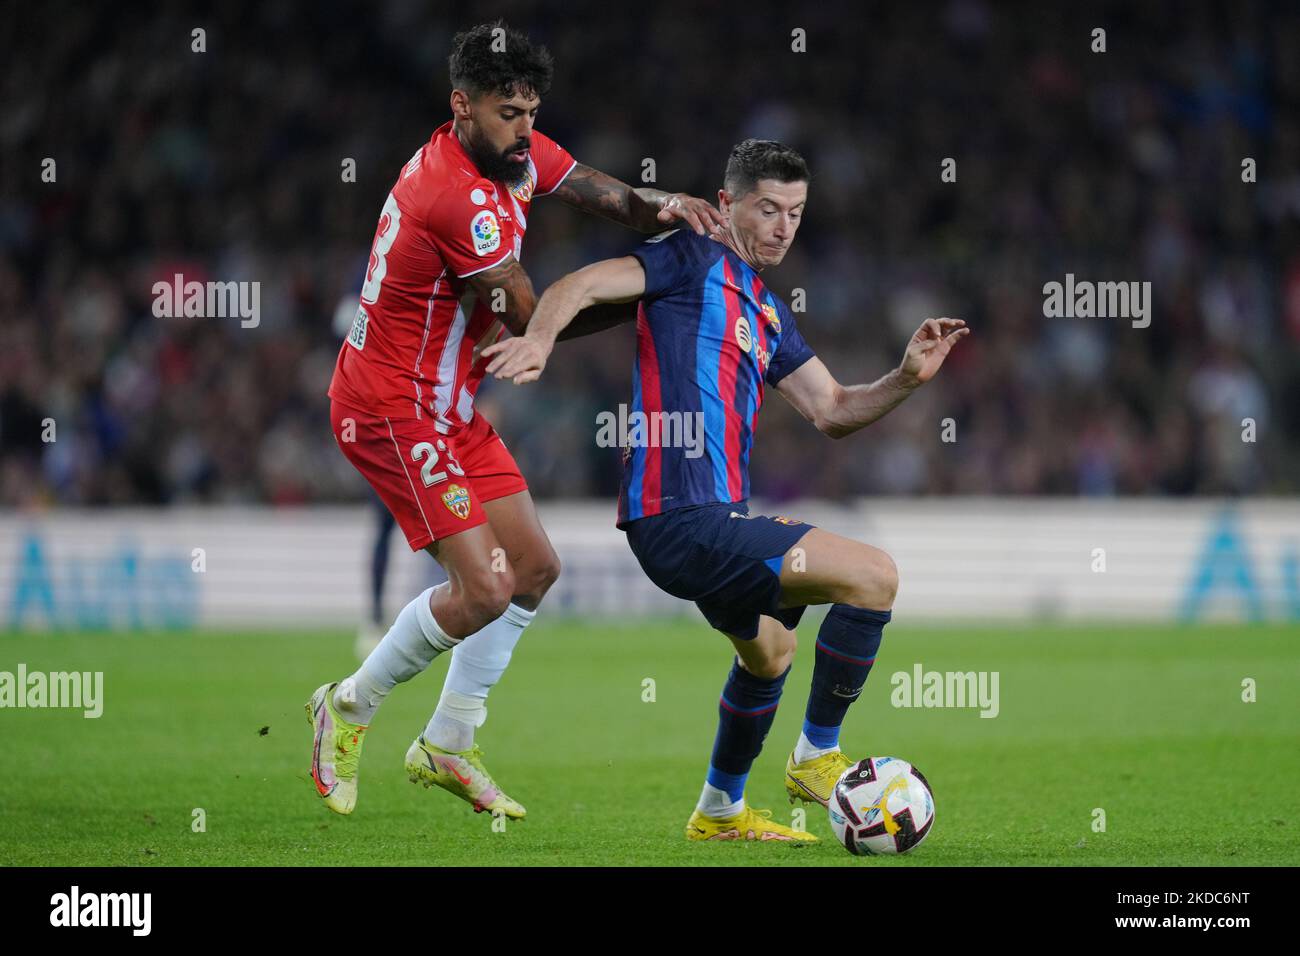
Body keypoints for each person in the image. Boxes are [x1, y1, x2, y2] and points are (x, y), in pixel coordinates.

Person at [484, 139, 969, 842]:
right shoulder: (691, 256)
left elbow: (831, 409)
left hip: (706, 521)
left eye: (795, 214)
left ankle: (720, 810)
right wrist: (540, 341)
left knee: (770, 652)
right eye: (767, 208)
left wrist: (904, 379)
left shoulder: (768, 311)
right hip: (681, 517)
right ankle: (817, 757)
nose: (782, 226)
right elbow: (579, 286)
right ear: (726, 204)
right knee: (875, 576)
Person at [307, 21, 725, 820]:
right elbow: (535, 321)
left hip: (448, 406)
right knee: (489, 586)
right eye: (508, 114)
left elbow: (616, 197)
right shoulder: (455, 197)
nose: (525, 130)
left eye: (532, 111)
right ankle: (348, 708)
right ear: (460, 106)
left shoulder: (512, 154)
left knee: (533, 568)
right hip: (390, 408)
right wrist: (655, 297)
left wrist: (674, 208)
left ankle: (450, 741)